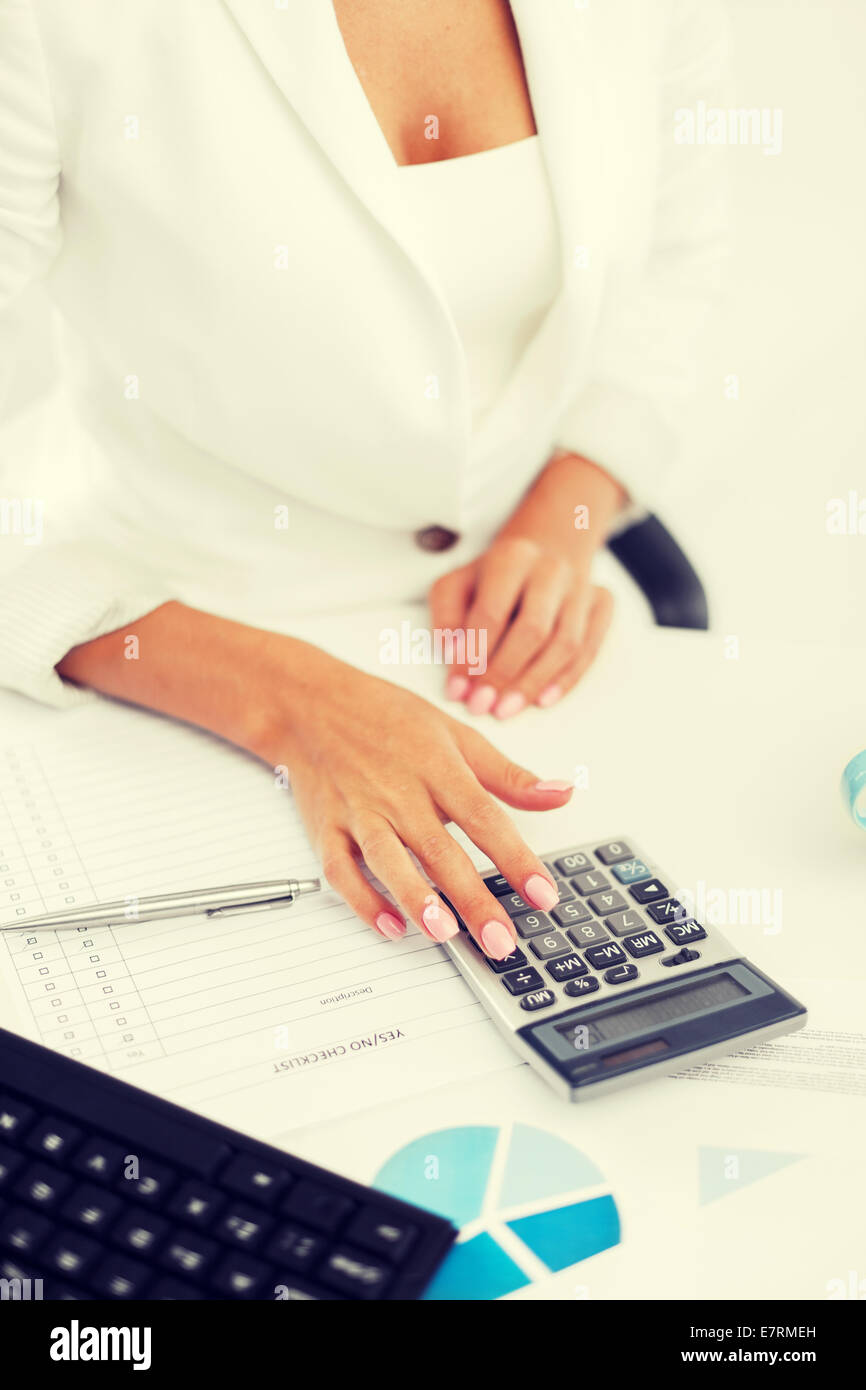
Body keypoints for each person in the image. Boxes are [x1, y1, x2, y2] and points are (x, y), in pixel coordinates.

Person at [0, 0, 728, 960]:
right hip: (149, 638)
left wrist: (566, 511)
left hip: (503, 649)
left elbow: (670, 280)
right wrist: (292, 704)